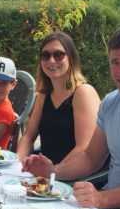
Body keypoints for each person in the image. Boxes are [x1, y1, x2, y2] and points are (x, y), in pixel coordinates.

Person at [22, 25, 120, 209]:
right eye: (115, 62)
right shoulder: (111, 102)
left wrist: (100, 199)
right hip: (107, 204)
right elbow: (91, 158)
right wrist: (53, 172)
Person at [16, 32, 100, 165]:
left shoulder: (83, 93)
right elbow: (28, 136)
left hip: (73, 175)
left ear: (71, 58)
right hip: (46, 176)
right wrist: (17, 164)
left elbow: (83, 148)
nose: (51, 61)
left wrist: (51, 173)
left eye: (58, 54)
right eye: (45, 55)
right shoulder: (44, 95)